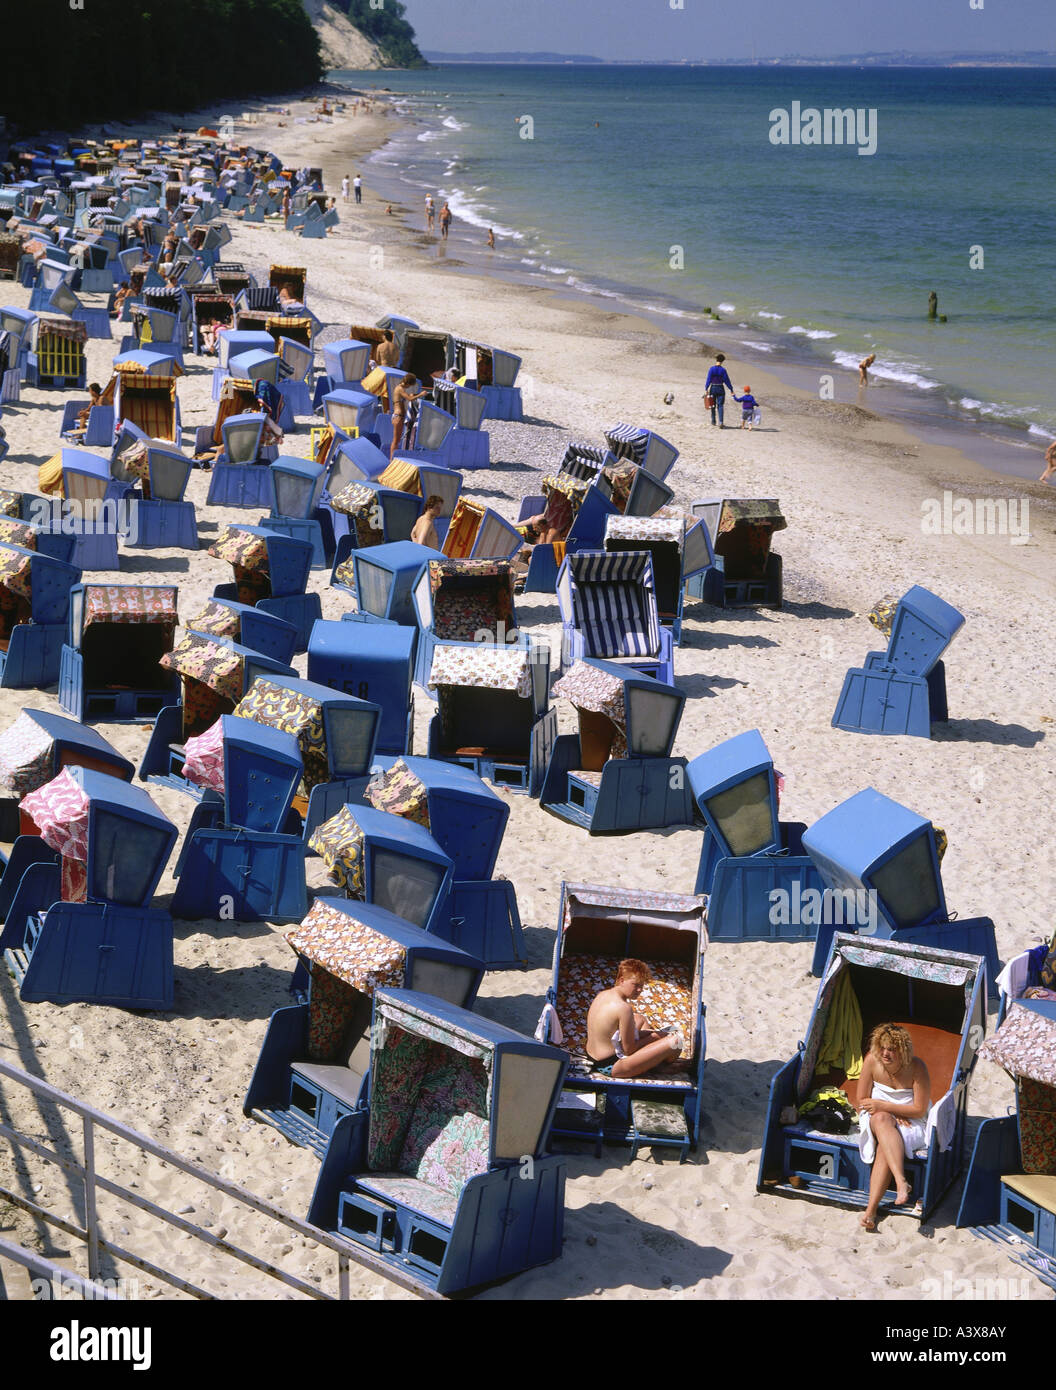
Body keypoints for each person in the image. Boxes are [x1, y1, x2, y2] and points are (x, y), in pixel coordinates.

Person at [857, 1023, 931, 1232]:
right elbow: (862, 1100)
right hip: (875, 1114)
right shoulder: (872, 1061)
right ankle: (901, 1181)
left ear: (903, 1050)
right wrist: (885, 1109)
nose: (886, 1053)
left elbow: (919, 1109)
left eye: (892, 1049)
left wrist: (891, 1109)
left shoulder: (917, 1067)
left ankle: (871, 1211)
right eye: (883, 1047)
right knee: (881, 1120)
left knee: (884, 1145)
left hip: (910, 1120)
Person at [586, 959, 685, 1078]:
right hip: (612, 1065)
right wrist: (654, 1037)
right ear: (622, 980)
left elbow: (614, 1035)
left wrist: (648, 1035)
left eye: (642, 986)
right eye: (636, 985)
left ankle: (652, 1061)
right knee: (676, 1042)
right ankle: (659, 1066)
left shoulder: (602, 995)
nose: (639, 990)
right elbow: (629, 1050)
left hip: (593, 1056)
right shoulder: (623, 1008)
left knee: (640, 1019)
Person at [389, 372, 429, 460]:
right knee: (395, 441)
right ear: (408, 383)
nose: (409, 388)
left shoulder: (400, 388)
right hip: (398, 416)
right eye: (410, 385)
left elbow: (408, 396)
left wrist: (414, 395)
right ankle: (391, 460)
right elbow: (409, 399)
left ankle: (392, 459)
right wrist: (421, 394)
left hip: (398, 416)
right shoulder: (400, 388)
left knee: (397, 440)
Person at [704, 352, 734, 428]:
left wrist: (706, 388)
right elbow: (727, 380)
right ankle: (721, 422)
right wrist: (731, 389)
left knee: (712, 405)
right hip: (720, 388)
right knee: (720, 406)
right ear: (722, 361)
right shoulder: (723, 370)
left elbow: (708, 379)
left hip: (713, 387)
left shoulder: (711, 369)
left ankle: (713, 421)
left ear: (716, 360)